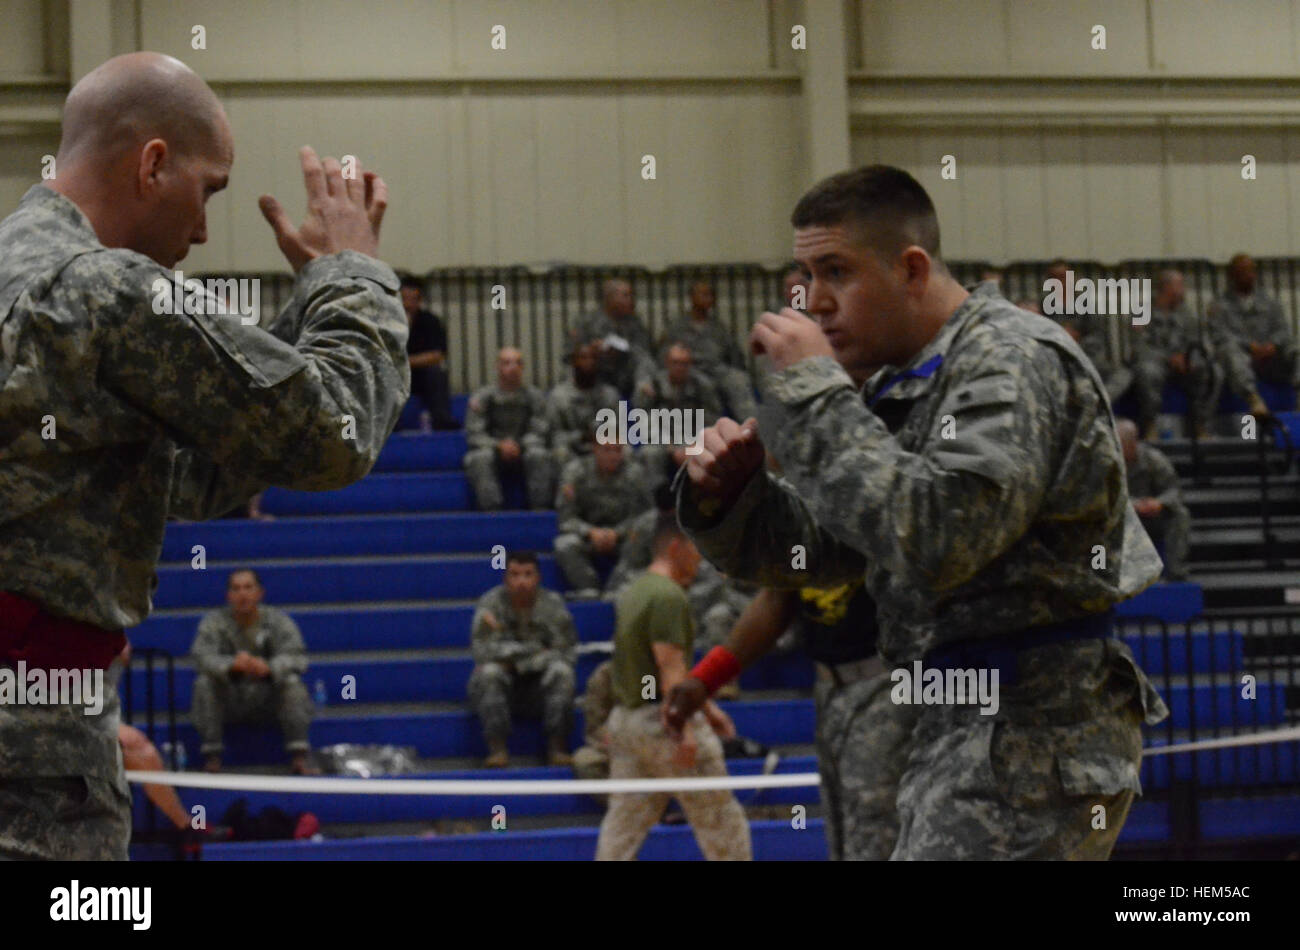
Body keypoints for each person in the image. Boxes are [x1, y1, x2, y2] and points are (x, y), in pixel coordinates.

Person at [677, 164, 1169, 860]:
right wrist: (729, 497)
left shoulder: (1010, 357)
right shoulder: (910, 382)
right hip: (962, 726)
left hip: (1031, 729)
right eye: (805, 274)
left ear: (911, 269)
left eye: (835, 271)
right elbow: (826, 548)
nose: (813, 301)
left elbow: (940, 536)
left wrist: (819, 394)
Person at [0, 52, 406, 860]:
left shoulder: (22, 269)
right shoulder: (106, 290)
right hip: (33, 762)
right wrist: (355, 271)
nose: (202, 229)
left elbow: (188, 466)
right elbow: (335, 434)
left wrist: (308, 308)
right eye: (207, 189)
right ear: (153, 164)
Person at [669, 579, 916, 861]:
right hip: (831, 688)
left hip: (892, 682)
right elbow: (778, 597)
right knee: (843, 832)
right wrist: (706, 679)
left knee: (878, 831)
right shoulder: (800, 542)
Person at [594, 515, 751, 861]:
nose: (700, 558)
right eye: (696, 549)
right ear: (676, 547)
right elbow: (669, 668)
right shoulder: (668, 597)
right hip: (663, 722)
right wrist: (686, 727)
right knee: (722, 823)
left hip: (627, 722)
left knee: (622, 829)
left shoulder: (635, 591)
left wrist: (709, 711)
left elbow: (657, 667)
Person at [190, 570, 317, 774]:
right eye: (236, 589)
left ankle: (299, 756)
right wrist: (231, 665)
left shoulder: (278, 621)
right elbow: (201, 658)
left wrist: (269, 668)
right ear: (228, 595)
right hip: (229, 698)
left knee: (293, 683)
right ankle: (212, 757)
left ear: (260, 593)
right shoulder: (213, 623)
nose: (243, 594)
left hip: (268, 698)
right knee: (204, 683)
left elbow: (297, 657)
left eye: (248, 588)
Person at [466, 551, 578, 767]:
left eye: (528, 574)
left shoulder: (553, 604)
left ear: (538, 577)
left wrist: (515, 662)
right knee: (489, 672)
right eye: (515, 575)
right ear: (505, 578)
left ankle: (557, 747)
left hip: (539, 688)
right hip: (502, 689)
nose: (522, 581)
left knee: (562, 672)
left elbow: (566, 653)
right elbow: (483, 652)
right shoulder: (490, 603)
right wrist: (537, 652)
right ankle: (497, 749)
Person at [553, 439, 652, 598]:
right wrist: (590, 532)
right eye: (607, 450)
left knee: (640, 541)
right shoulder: (575, 471)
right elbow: (566, 518)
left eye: (617, 450)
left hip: (624, 537)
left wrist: (617, 533)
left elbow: (646, 517)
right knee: (564, 544)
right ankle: (589, 590)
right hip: (589, 537)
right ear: (595, 450)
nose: (613, 456)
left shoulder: (636, 473)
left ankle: (617, 590)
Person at [463, 347, 553, 510]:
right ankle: (492, 512)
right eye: (507, 363)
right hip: (493, 450)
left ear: (523, 368)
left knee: (540, 454)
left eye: (518, 363)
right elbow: (475, 433)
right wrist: (498, 445)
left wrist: (519, 445)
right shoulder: (482, 397)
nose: (513, 367)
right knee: (479, 458)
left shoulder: (535, 396)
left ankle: (540, 510)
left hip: (525, 449)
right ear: (497, 367)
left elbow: (541, 429)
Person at [1208, 253, 1297, 415]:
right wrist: (1249, 346)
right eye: (1243, 272)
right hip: (1241, 362)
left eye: (1251, 271)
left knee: (1295, 346)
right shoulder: (1219, 305)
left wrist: (1272, 345)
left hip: (1270, 359)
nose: (1248, 276)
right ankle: (1253, 399)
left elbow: (1283, 330)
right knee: (1229, 350)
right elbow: (1219, 335)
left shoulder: (1269, 302)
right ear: (1232, 276)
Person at [1133, 270, 1217, 438]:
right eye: (1179, 285)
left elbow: (1197, 343)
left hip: (1183, 365)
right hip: (1158, 364)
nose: (1184, 290)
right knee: (1147, 371)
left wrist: (1187, 359)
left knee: (1213, 371)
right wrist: (1168, 358)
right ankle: (1151, 426)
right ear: (1166, 287)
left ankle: (1201, 425)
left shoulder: (1187, 313)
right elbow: (1139, 348)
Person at [658, 280, 756, 419]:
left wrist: (738, 370)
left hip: (716, 369)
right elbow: (664, 355)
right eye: (703, 294)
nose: (708, 298)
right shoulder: (677, 327)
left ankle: (751, 428)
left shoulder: (718, 327)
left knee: (739, 380)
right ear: (692, 297)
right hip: (690, 370)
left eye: (710, 295)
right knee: (704, 385)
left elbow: (734, 354)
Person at [633, 343, 723, 491]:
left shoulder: (702, 386)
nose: (680, 368)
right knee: (649, 453)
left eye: (684, 363)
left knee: (708, 454)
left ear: (690, 365)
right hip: (661, 438)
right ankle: (659, 497)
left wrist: (693, 443)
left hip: (692, 437)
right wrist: (671, 448)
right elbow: (641, 417)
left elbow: (713, 418)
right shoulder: (653, 385)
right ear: (666, 363)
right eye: (675, 363)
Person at [1117, 419, 1191, 581]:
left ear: (1133, 443)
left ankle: (1176, 571)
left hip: (1153, 515)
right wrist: (1134, 505)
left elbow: (1174, 489)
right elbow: (1105, 495)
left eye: (1122, 444)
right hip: (1124, 515)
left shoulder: (1154, 459)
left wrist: (1160, 503)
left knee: (1180, 513)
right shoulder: (1109, 462)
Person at [569, 278, 656, 399]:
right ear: (610, 298)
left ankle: (643, 392)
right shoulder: (587, 322)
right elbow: (570, 352)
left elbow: (645, 350)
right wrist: (591, 350)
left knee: (645, 362)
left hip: (626, 375)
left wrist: (622, 347)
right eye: (625, 296)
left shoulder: (635, 323)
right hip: (598, 374)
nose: (631, 300)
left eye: (631, 296)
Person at [547, 340, 620, 476]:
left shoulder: (610, 395)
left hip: (604, 447)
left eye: (593, 358)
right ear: (574, 362)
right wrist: (581, 437)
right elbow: (554, 435)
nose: (589, 363)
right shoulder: (558, 396)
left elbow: (617, 431)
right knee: (560, 453)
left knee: (627, 453)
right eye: (583, 358)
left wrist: (601, 443)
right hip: (572, 449)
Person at [401, 274, 458, 430]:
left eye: (412, 299)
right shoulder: (387, 322)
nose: (407, 304)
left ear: (419, 300)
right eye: (404, 299)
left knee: (437, 373)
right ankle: (388, 425)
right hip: (397, 376)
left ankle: (442, 420)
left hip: (421, 376)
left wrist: (406, 362)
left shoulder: (430, 321)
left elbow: (437, 355)